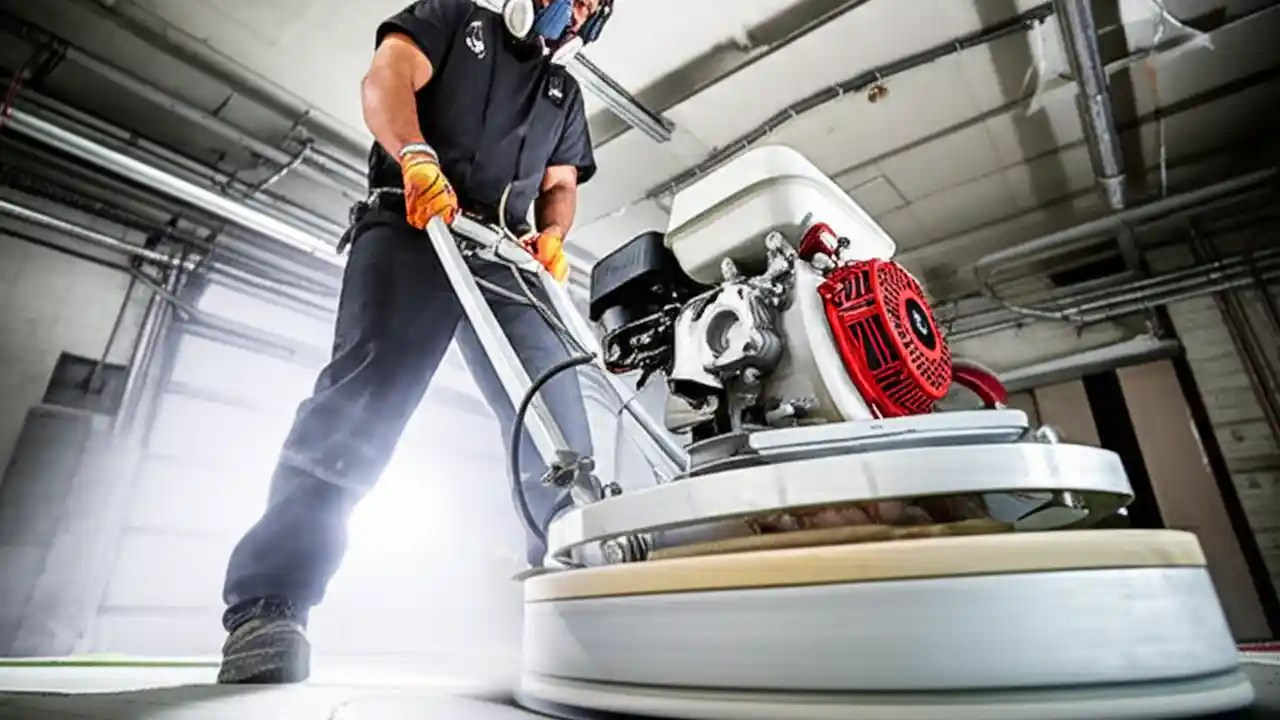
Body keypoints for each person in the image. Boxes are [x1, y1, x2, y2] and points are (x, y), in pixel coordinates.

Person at [216, 0, 612, 684]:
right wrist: (416, 157)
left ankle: (577, 605)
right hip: (412, 217)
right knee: (361, 404)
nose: (574, 10)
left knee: (558, 430)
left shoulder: (563, 92)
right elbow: (387, 79)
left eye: (590, 6)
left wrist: (552, 236)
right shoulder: (455, 19)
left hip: (502, 255)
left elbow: (560, 183)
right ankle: (268, 607)